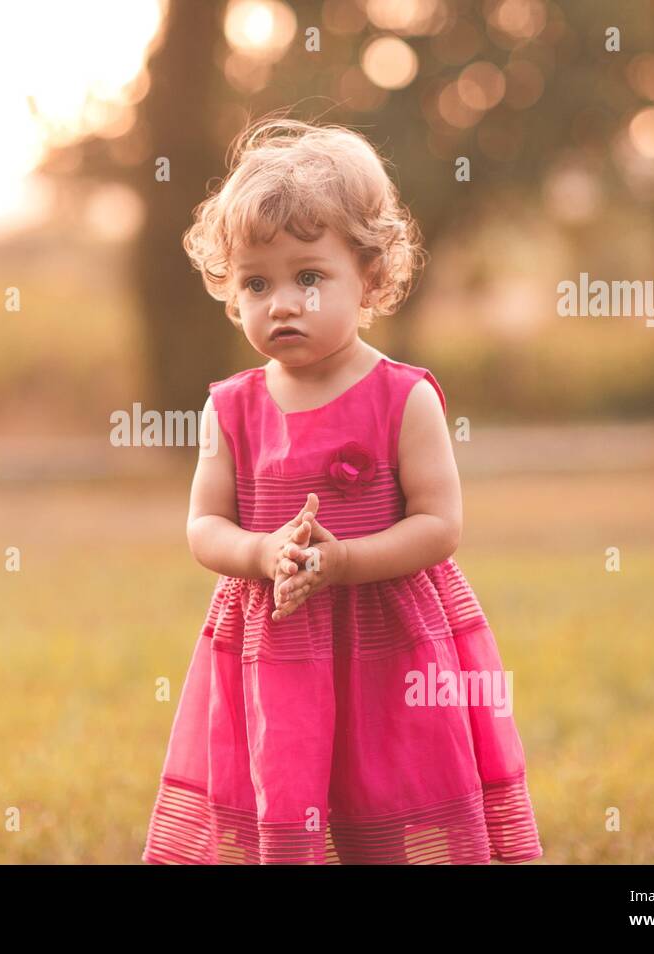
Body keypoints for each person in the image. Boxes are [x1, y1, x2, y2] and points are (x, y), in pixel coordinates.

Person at [141, 117, 543, 864]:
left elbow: (439, 524)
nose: (283, 302)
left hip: (391, 643)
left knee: (389, 803)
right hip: (279, 646)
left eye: (309, 277)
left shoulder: (402, 397)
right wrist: (260, 553)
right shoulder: (232, 407)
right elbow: (204, 524)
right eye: (257, 283)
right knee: (284, 802)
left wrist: (347, 561)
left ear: (370, 275)